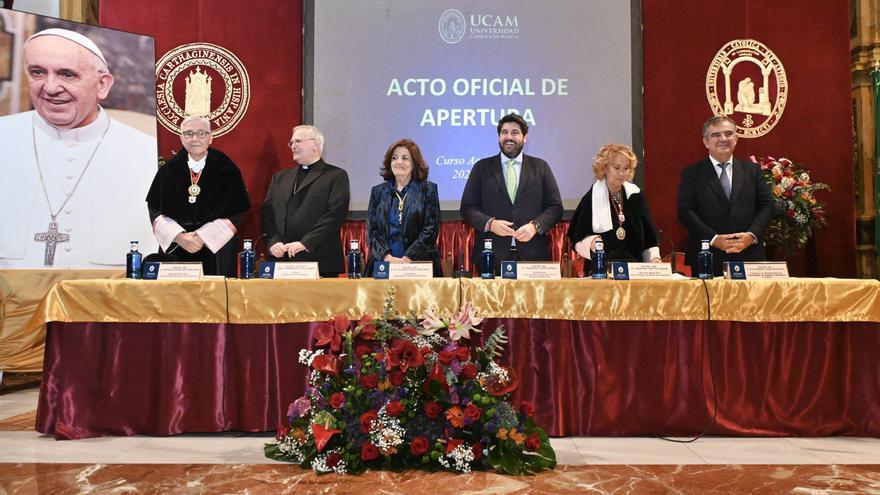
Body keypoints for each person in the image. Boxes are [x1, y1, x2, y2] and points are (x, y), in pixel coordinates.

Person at [0, 28, 157, 268]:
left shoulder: (146, 153)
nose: (50, 87)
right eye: (38, 72)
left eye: (67, 74)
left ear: (102, 85)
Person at [145, 116, 251, 277]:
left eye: (201, 133)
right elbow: (154, 209)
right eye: (189, 133)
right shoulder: (168, 170)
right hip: (177, 246)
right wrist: (179, 237)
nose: (195, 138)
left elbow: (237, 212)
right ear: (181, 138)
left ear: (211, 137)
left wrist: (202, 237)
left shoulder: (227, 169)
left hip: (216, 247)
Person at [460, 113, 563, 272]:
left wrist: (535, 226)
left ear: (525, 137)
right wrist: (490, 224)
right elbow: (467, 207)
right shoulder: (482, 167)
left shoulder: (541, 167)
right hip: (491, 256)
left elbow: (555, 207)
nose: (509, 137)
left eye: (515, 132)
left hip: (532, 256)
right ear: (498, 137)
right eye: (504, 132)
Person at [677, 116, 775, 275]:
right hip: (707, 256)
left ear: (736, 139)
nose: (723, 139)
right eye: (716, 135)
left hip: (748, 255)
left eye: (728, 134)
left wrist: (751, 236)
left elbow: (768, 206)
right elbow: (686, 212)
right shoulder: (692, 173)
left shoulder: (752, 171)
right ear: (705, 141)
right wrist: (714, 239)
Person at [261, 125, 350, 277]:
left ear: (315, 145)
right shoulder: (280, 178)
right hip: (282, 261)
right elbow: (267, 213)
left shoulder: (336, 176)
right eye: (291, 143)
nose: (293, 146)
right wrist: (273, 241)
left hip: (319, 260)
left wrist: (305, 243)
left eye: (298, 141)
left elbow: (335, 215)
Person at [567, 144, 660, 274]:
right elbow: (577, 237)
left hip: (634, 271)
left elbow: (649, 239)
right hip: (601, 271)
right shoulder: (591, 197)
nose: (622, 173)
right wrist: (593, 242)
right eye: (616, 168)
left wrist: (654, 258)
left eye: (626, 168)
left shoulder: (636, 196)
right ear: (604, 167)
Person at [365, 139, 442, 277]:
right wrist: (387, 258)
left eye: (405, 158)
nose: (399, 161)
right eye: (394, 158)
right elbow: (372, 231)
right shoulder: (378, 192)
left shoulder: (428, 189)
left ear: (414, 163)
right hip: (384, 265)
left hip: (418, 263)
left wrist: (408, 259)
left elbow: (430, 229)